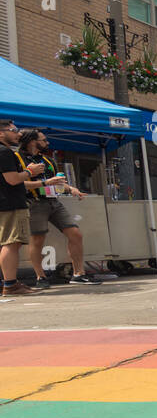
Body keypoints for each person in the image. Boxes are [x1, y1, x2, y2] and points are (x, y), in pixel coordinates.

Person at [19, 129, 100, 285]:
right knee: (37, 240)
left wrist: (71, 189)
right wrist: (44, 182)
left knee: (75, 233)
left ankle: (78, 274)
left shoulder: (48, 160)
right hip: (34, 202)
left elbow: (58, 181)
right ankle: (40, 277)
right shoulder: (18, 159)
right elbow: (17, 184)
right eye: (43, 140)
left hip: (54, 201)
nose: (47, 143)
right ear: (32, 141)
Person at [1, 120, 47, 296]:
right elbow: (12, 179)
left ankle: (9, 282)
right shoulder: (4, 152)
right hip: (10, 203)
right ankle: (11, 285)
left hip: (6, 203)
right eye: (13, 130)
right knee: (12, 243)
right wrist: (30, 171)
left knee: (7, 243)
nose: (18, 134)